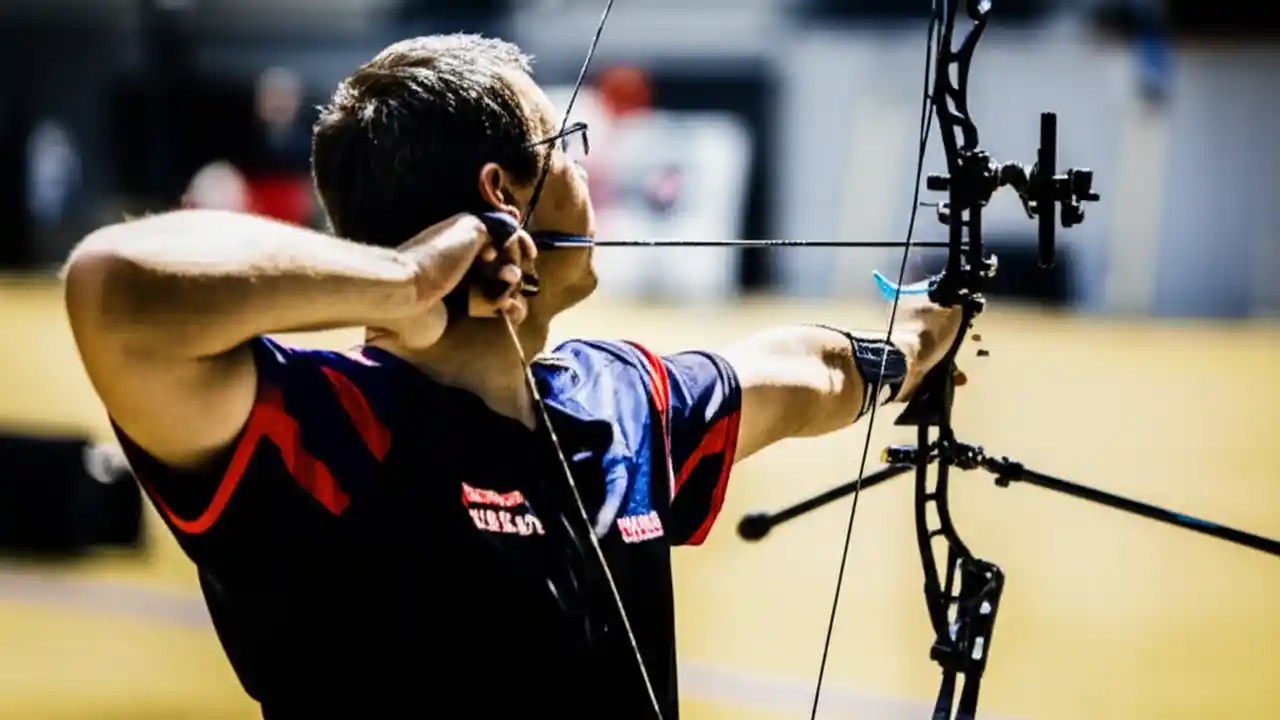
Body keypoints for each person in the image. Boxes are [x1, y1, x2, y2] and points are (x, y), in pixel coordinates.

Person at [61, 35, 965, 719]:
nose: (584, 171)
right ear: (505, 194)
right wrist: (411, 282)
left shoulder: (621, 402)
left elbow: (809, 368)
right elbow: (112, 288)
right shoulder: (328, 428)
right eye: (562, 144)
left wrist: (925, 331)